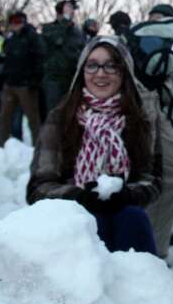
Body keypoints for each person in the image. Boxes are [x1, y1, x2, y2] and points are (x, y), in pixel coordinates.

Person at [26, 36, 165, 254]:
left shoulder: (141, 119)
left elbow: (153, 178)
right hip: (69, 220)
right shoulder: (61, 117)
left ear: (124, 72)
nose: (100, 73)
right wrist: (80, 197)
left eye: (111, 65)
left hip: (124, 218)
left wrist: (127, 195)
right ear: (82, 71)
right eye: (92, 65)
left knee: (133, 218)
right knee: (93, 222)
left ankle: (139, 283)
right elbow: (38, 188)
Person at [0, 12, 44, 145]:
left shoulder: (32, 37)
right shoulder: (10, 39)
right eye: (12, 21)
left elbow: (40, 59)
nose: (15, 24)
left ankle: (38, 146)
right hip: (10, 83)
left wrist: (35, 79)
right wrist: (2, 77)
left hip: (26, 85)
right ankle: (1, 146)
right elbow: (5, 59)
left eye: (18, 21)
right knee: (4, 117)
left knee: (33, 118)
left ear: (24, 21)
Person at [41, 0, 84, 118]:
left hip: (72, 78)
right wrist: (65, 19)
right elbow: (56, 40)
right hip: (54, 79)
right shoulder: (48, 28)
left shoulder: (77, 31)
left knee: (72, 113)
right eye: (68, 10)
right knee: (54, 114)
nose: (71, 13)